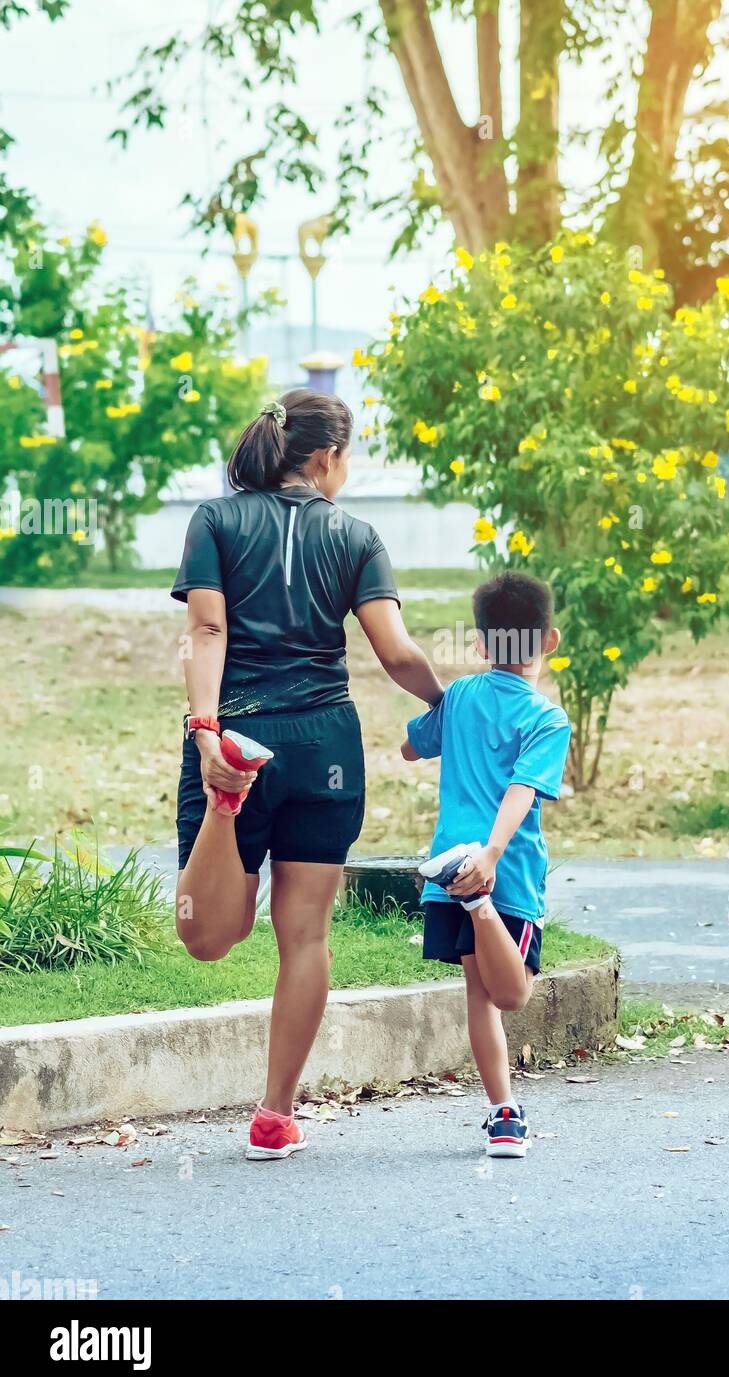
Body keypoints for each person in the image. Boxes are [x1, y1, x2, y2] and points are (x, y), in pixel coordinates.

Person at [172, 388, 443, 1160]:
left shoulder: (215, 520)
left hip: (242, 734)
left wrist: (205, 732)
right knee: (306, 936)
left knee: (208, 936)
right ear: (326, 458)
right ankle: (273, 1114)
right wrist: (449, 707)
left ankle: (228, 806)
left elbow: (207, 628)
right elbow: (395, 653)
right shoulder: (355, 536)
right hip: (326, 745)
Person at [402, 573, 571, 1157]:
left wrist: (439, 714)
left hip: (449, 864)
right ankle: (479, 905)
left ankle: (503, 1112)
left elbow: (410, 746)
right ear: (549, 640)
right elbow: (523, 789)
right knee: (512, 996)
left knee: (480, 996)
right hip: (510, 872)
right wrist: (493, 858)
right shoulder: (548, 719)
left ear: (480, 646)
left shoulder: (462, 697)